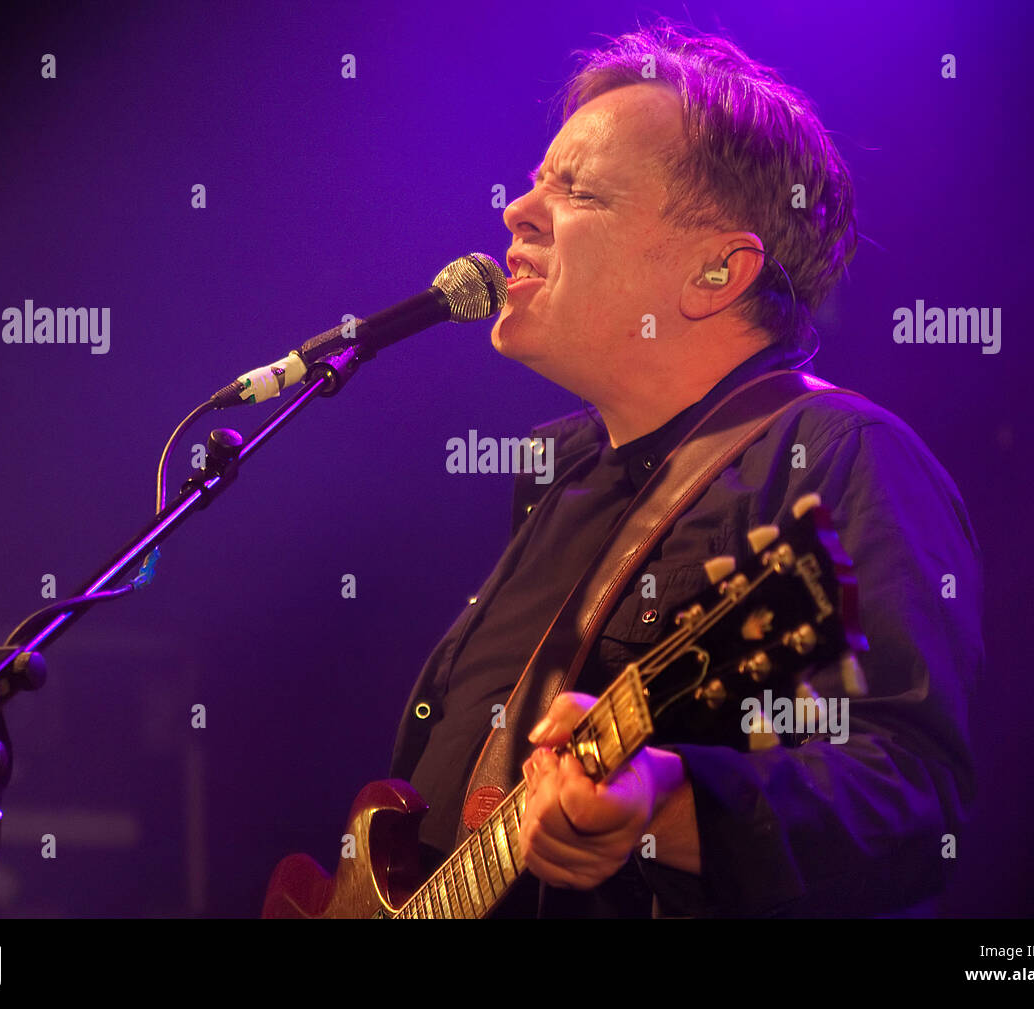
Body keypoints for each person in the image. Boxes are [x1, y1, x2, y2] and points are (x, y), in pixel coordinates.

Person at [388, 21, 981, 917]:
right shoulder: (559, 472)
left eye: (576, 189)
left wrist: (669, 802)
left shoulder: (843, 457)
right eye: (538, 177)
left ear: (717, 270)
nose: (517, 208)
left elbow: (907, 801)